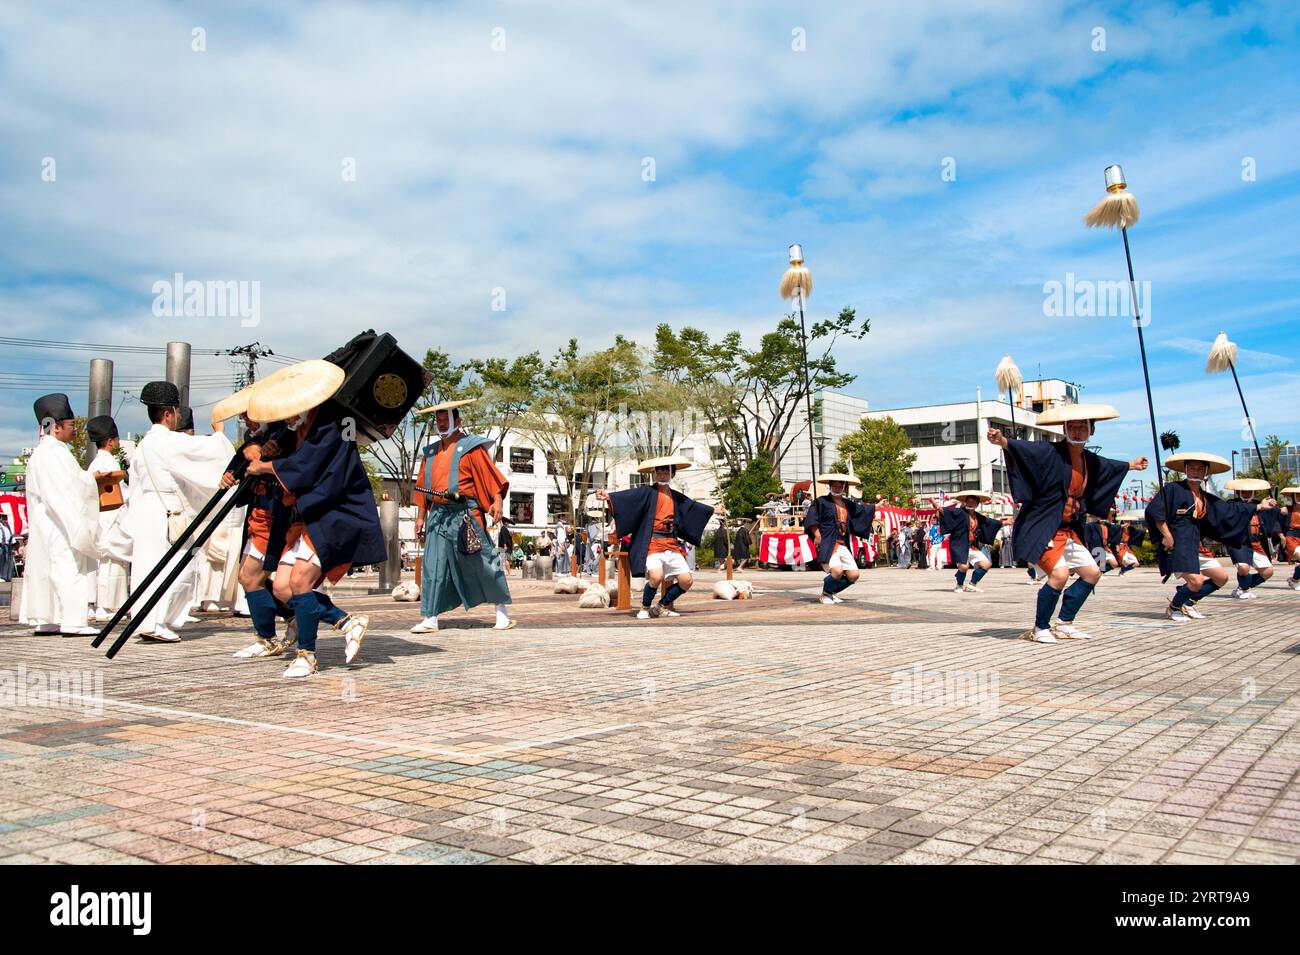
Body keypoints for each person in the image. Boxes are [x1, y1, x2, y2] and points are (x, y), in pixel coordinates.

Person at [244, 361, 381, 675]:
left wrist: (265, 467)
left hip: (338, 513)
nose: (288, 416)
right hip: (311, 514)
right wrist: (262, 450)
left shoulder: (332, 426)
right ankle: (347, 621)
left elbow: (304, 469)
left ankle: (306, 655)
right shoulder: (297, 431)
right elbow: (289, 459)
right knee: (281, 588)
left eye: (293, 410)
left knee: (300, 581)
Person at [988, 402, 1147, 644]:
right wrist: (1003, 442)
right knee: (1060, 574)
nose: (1077, 431)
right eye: (1071, 426)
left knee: (1093, 572)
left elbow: (1108, 466)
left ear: (1091, 431)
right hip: (1042, 527)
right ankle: (1040, 627)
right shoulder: (1050, 452)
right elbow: (1026, 450)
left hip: (1068, 530)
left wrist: (1131, 466)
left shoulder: (1089, 460)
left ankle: (1064, 623)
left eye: (1082, 427)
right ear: (1064, 429)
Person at [124, 381, 234, 643]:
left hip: (147, 510)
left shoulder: (143, 445)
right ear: (168, 413)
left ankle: (146, 619)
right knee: (176, 565)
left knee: (148, 566)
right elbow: (207, 454)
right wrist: (219, 435)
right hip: (168, 511)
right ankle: (159, 619)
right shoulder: (168, 441)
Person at [410, 399, 514, 634]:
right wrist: (420, 518)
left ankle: (502, 611)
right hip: (437, 515)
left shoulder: (470, 447)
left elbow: (490, 476)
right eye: (439, 420)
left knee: (484, 560)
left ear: (458, 421)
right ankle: (431, 617)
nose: (442, 423)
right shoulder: (430, 452)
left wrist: (497, 501)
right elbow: (421, 487)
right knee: (433, 565)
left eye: (446, 419)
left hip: (465, 513)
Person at [1147, 453, 1274, 621]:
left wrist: (1259, 505)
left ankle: (1189, 603)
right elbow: (1155, 511)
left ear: (1206, 471)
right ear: (1185, 469)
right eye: (1191, 468)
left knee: (1221, 577)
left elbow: (1230, 511)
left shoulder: (1206, 497)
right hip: (1177, 544)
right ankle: (1174, 608)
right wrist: (1167, 535)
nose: (1196, 472)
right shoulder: (1173, 489)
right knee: (1196, 581)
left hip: (1195, 544)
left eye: (1200, 469)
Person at [18, 394, 101, 635]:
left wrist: (88, 479)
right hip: (60, 522)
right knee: (67, 567)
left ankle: (48, 619)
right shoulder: (52, 454)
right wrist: (78, 524)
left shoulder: (48, 452)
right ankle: (73, 621)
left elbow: (71, 483)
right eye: (72, 425)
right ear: (55, 427)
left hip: (47, 522)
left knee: (47, 569)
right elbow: (63, 494)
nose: (75, 430)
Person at [595, 455, 713, 619]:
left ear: (672, 474)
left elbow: (693, 507)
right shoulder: (647, 492)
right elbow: (629, 497)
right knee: (656, 576)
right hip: (652, 543)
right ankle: (644, 607)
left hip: (671, 544)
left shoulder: (676, 497)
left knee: (687, 580)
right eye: (660, 472)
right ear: (655, 474)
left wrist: (715, 510)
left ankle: (660, 606)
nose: (663, 475)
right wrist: (609, 496)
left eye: (666, 472)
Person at [85, 415, 130, 622]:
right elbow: (120, 492)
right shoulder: (108, 462)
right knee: (112, 565)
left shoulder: (94, 463)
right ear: (111, 441)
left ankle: (99, 605)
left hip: (99, 520)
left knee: (102, 565)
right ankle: (108, 607)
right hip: (111, 519)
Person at [805, 473, 875, 604]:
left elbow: (862, 512)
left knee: (854, 575)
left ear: (844, 487)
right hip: (828, 541)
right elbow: (812, 519)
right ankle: (825, 594)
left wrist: (878, 506)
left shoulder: (847, 503)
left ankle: (832, 592)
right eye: (835, 485)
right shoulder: (821, 501)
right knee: (837, 571)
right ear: (830, 485)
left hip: (842, 542)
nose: (837, 487)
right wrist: (817, 535)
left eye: (840, 485)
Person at [935, 491, 1000, 592]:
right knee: (964, 567)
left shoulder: (977, 516)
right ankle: (959, 585)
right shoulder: (960, 512)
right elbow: (947, 512)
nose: (970, 504)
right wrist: (939, 508)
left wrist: (1003, 522)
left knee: (986, 564)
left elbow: (989, 522)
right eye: (968, 502)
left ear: (977, 504)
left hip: (972, 546)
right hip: (960, 545)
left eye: (973, 502)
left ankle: (972, 584)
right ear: (965, 502)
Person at [1222, 479, 1275, 599]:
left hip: (1256, 542)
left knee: (1268, 572)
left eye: (1249, 491)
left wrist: (1273, 505)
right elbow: (1238, 511)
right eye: (1243, 491)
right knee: (1243, 567)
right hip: (1239, 542)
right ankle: (1244, 589)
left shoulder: (1260, 504)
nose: (1246, 493)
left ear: (1254, 492)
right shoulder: (1232, 503)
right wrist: (1260, 506)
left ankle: (1242, 587)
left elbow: (1276, 514)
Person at [1277, 486, 1300, 592]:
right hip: (1290, 536)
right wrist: (1281, 536)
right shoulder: (1286, 510)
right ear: (1294, 497)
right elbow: (1275, 522)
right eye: (1298, 496)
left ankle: (1294, 579)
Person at [0, 514, 13, 582]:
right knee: (1, 560)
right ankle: (0, 576)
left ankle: (5, 576)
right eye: (4, 518)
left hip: (7, 545)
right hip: (1, 544)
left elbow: (10, 534)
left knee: (7, 560)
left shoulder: (7, 526)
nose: (5, 519)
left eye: (6, 518)